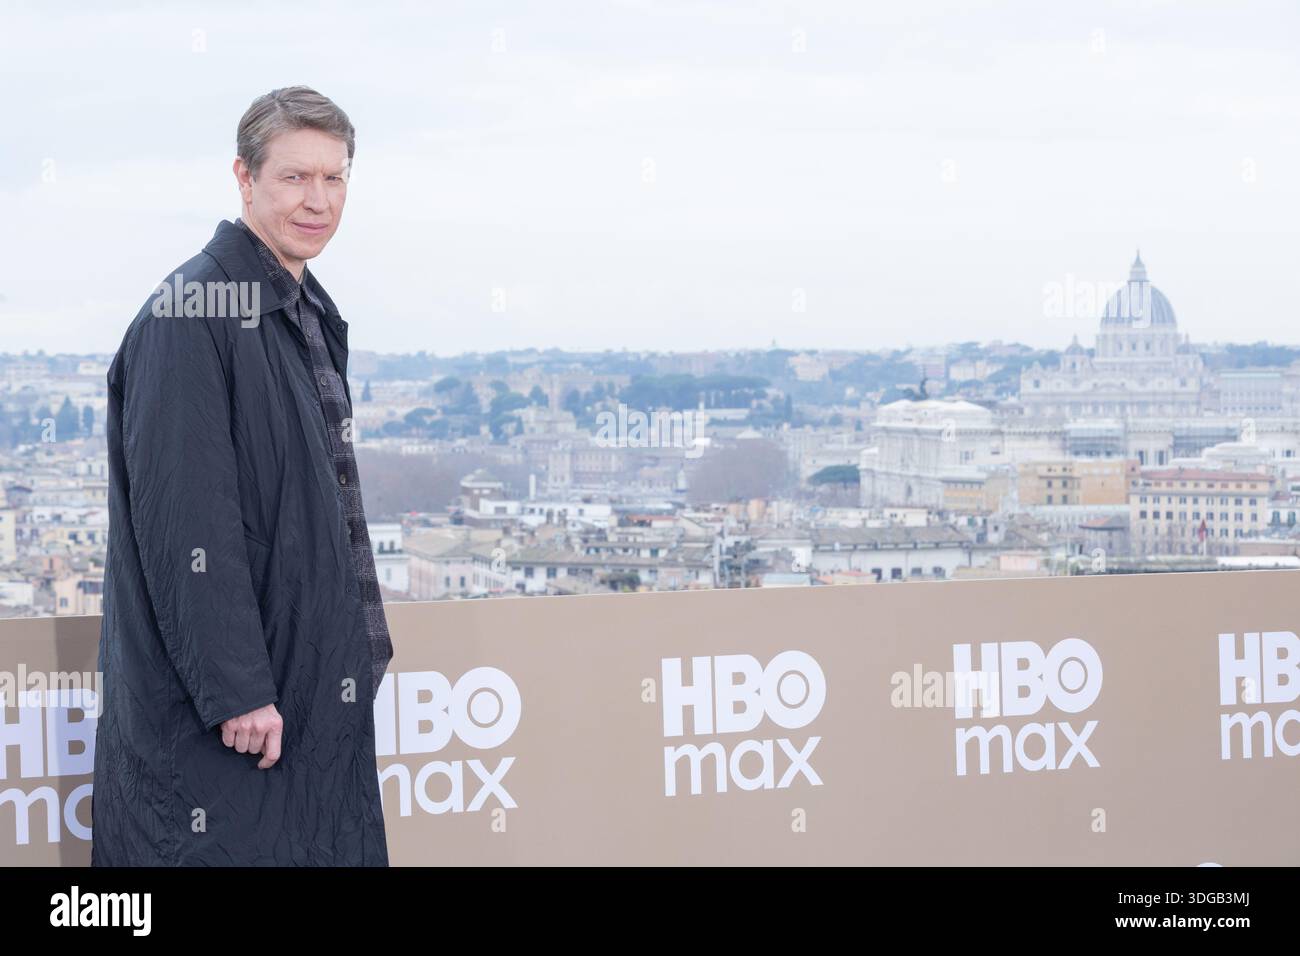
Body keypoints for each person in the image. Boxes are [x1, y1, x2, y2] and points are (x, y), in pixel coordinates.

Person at [91, 86, 392, 865]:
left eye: (335, 178)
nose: (318, 200)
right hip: (235, 714)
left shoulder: (300, 308)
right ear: (244, 177)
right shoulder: (191, 313)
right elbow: (185, 520)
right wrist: (236, 690)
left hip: (307, 687)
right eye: (295, 177)